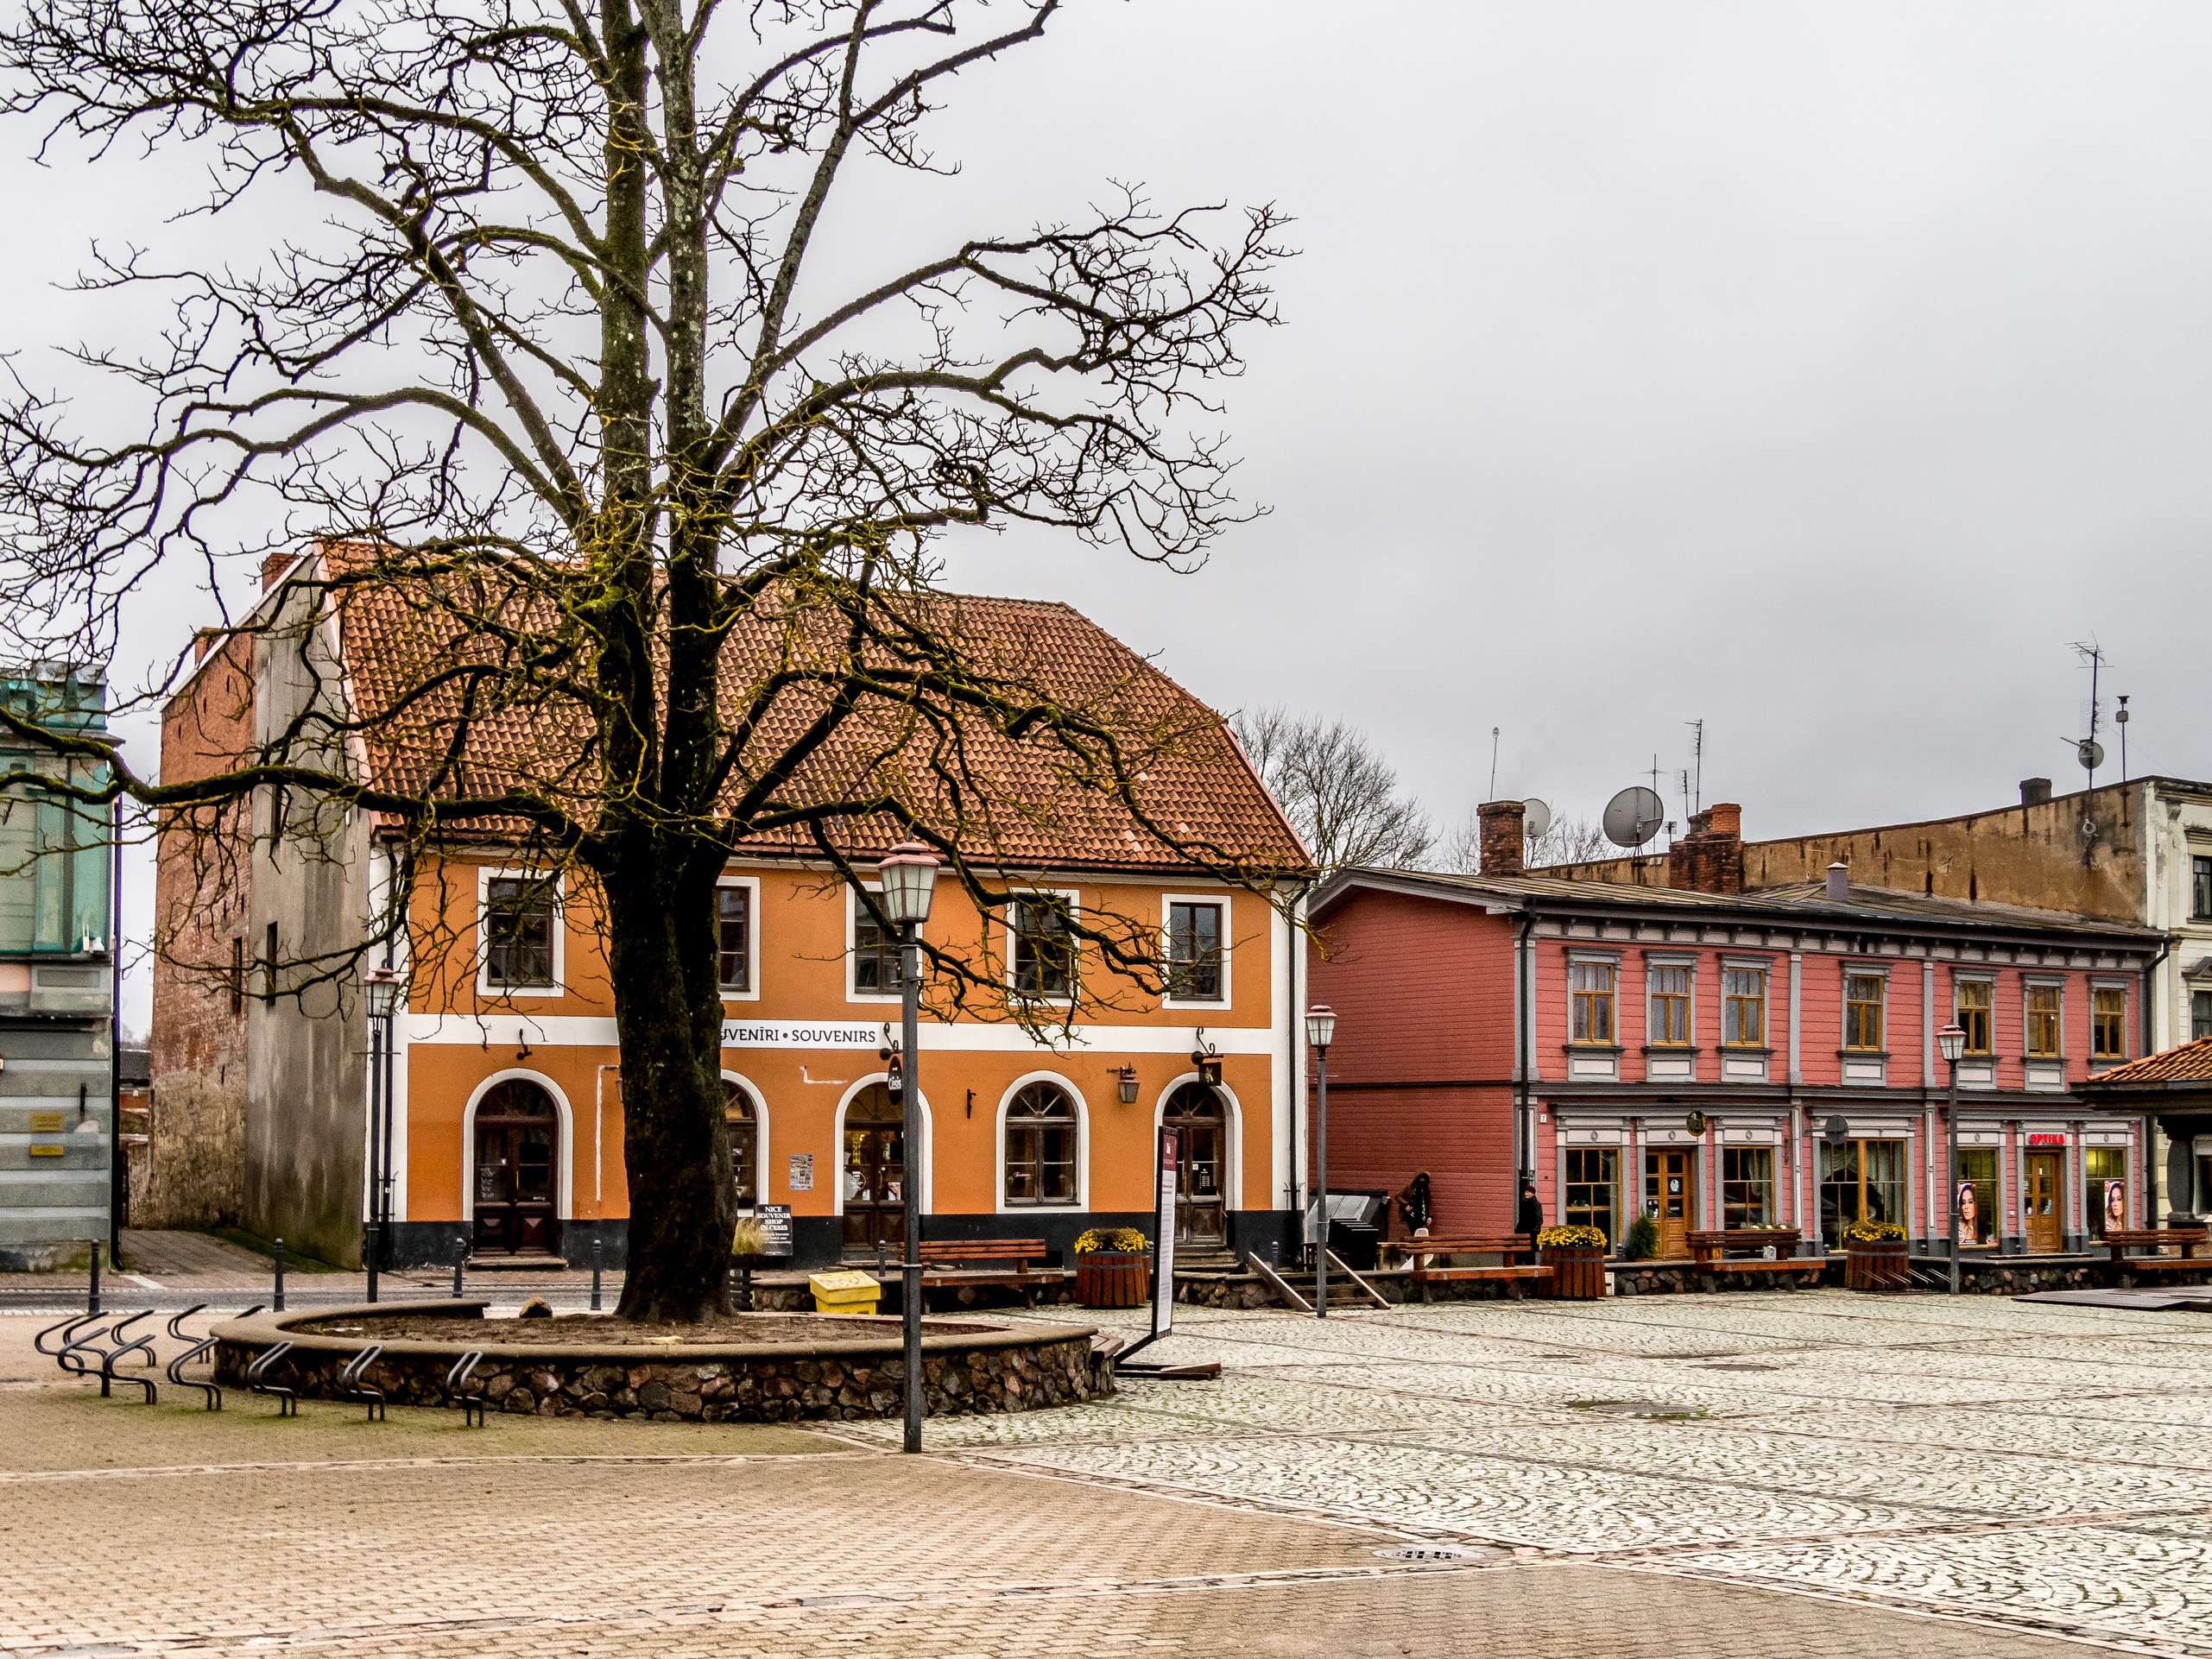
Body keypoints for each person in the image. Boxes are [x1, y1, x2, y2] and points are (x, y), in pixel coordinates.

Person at [1516, 1179, 1544, 1262]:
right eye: (1525, 1192)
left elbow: (1539, 1219)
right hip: (1523, 1231)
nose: (1526, 1194)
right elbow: (1522, 1218)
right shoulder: (1524, 1203)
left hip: (1532, 1232)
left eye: (1528, 1192)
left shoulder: (1536, 1204)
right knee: (1520, 1252)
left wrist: (1534, 1230)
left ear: (1532, 1193)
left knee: (1530, 1254)